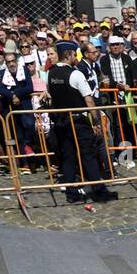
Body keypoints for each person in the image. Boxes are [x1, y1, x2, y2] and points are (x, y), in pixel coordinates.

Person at [46, 41, 115, 204]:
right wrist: (96, 121)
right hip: (78, 121)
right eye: (74, 54)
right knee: (88, 155)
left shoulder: (52, 73)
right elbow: (89, 101)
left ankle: (72, 192)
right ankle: (99, 191)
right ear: (68, 55)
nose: (76, 57)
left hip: (62, 122)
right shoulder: (75, 74)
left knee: (68, 157)